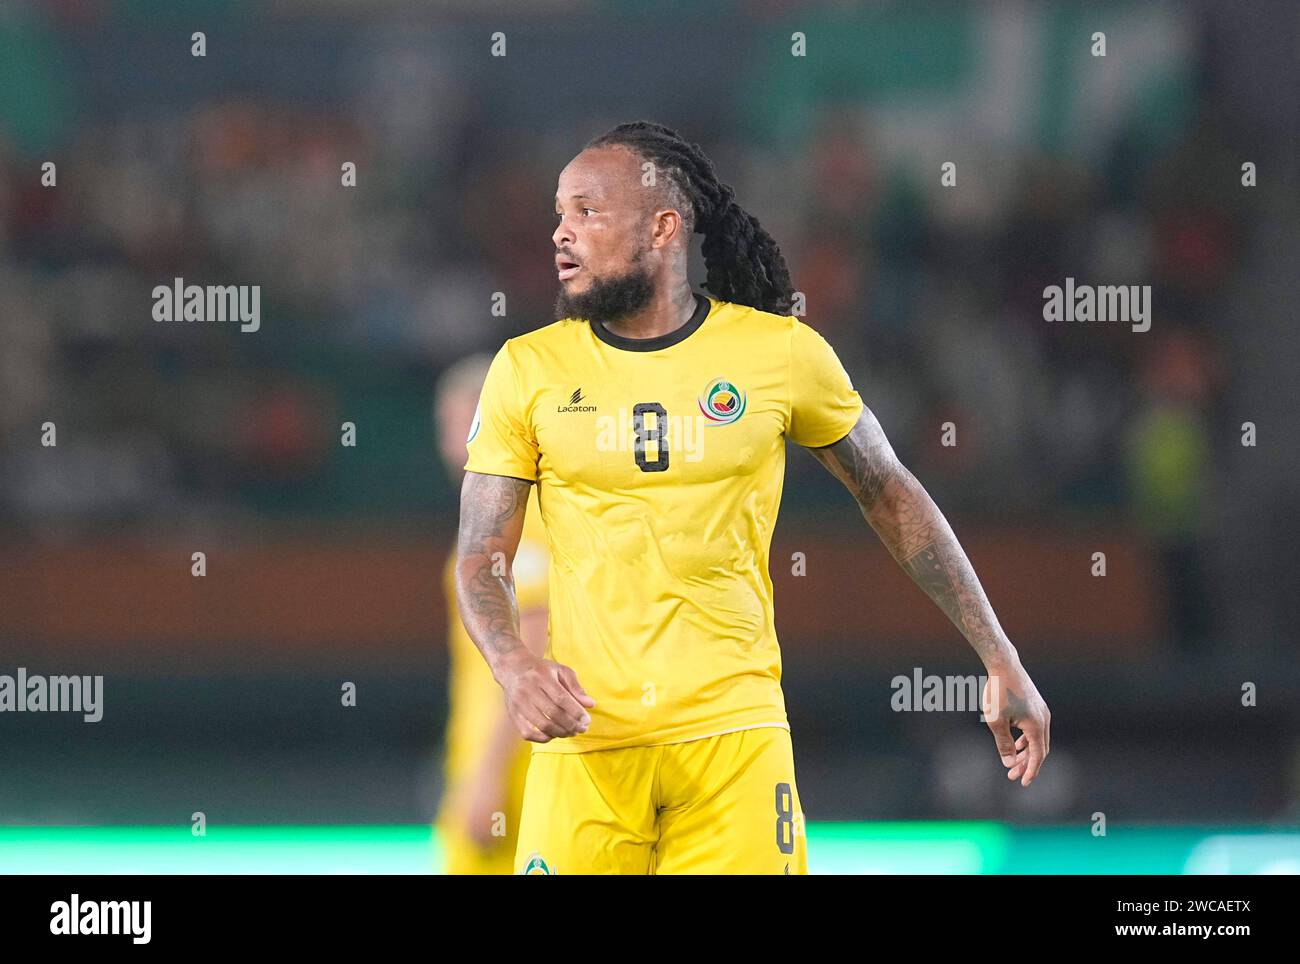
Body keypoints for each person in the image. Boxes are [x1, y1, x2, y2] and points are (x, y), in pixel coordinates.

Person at [455, 121, 1050, 874]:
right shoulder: (526, 369)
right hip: (586, 749)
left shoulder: (779, 353)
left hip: (733, 743)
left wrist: (999, 657)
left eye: (585, 211)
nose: (560, 234)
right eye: (558, 213)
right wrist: (514, 666)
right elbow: (481, 554)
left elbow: (893, 496)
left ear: (663, 227)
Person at [433, 354, 549, 873]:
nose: (449, 440)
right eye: (446, 424)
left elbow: (536, 642)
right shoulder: (486, 528)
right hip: (485, 766)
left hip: (522, 776)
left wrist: (489, 774)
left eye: (464, 422)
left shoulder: (534, 518)